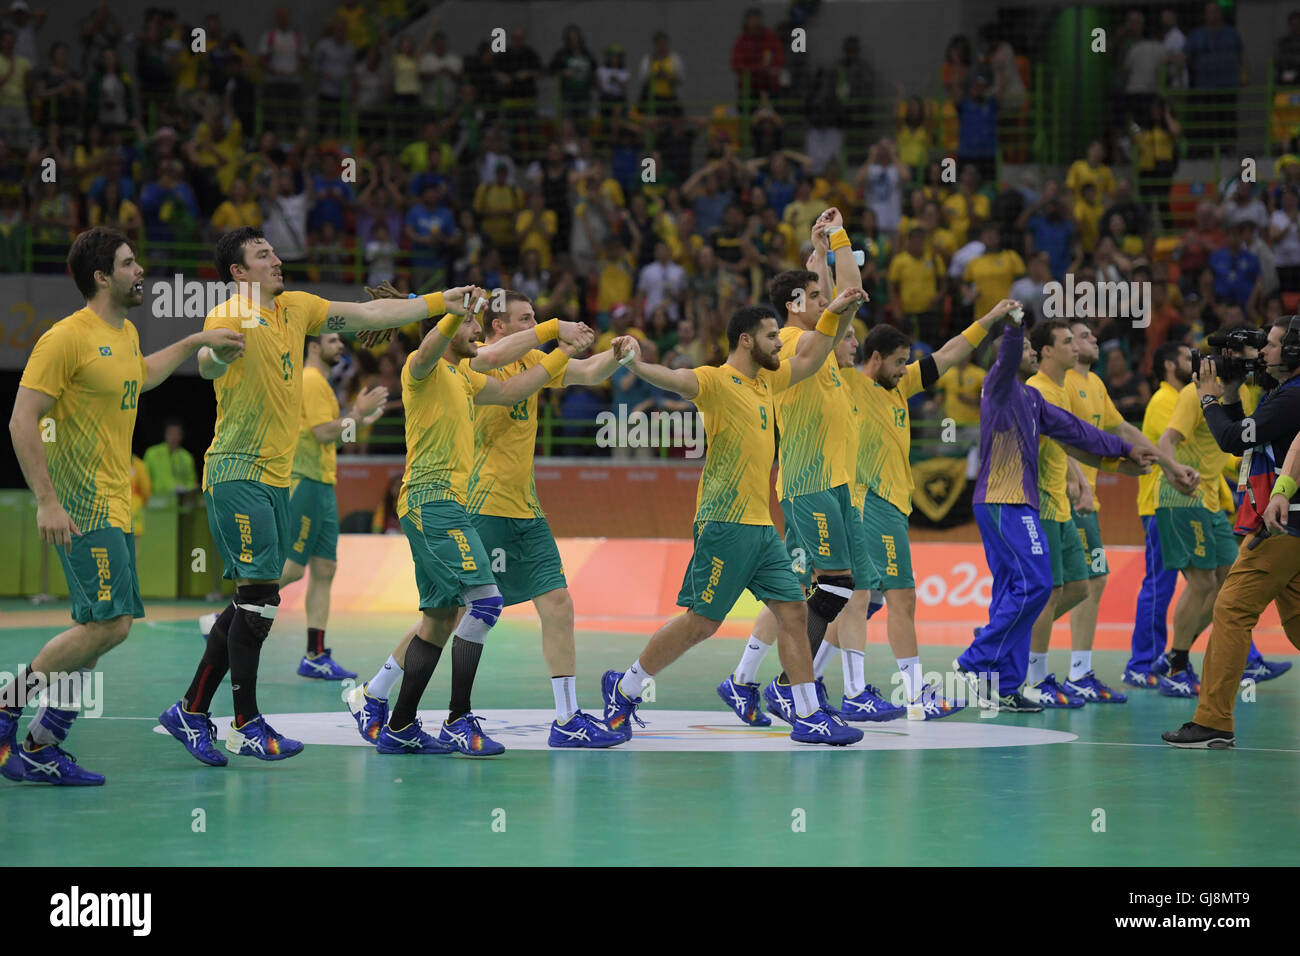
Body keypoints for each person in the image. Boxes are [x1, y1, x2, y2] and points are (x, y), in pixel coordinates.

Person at [158, 227, 474, 768]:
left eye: (274, 251)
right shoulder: (228, 314)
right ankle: (244, 722)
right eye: (263, 255)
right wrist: (213, 356)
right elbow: (207, 365)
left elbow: (368, 316)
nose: (277, 259)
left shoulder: (297, 308)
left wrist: (442, 301)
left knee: (253, 599)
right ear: (238, 272)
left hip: (277, 479)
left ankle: (191, 710)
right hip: (238, 470)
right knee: (260, 600)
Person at [2, 227, 243, 785]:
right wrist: (46, 502)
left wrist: (192, 342)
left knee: (94, 626)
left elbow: (142, 376)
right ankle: (8, 706)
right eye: (130, 264)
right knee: (111, 625)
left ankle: (42, 743)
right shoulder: (65, 338)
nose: (141, 272)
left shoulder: (127, 333)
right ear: (102, 277)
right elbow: (21, 420)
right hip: (81, 505)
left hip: (114, 503)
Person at [603, 288, 868, 747]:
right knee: (701, 624)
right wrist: (635, 363)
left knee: (792, 612)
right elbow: (673, 378)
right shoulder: (716, 381)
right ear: (746, 341)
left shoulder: (769, 382)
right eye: (771, 336)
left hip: (762, 526)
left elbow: (817, 352)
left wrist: (838, 311)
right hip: (724, 524)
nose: (779, 344)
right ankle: (624, 690)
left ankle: (808, 714)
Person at [344, 293, 596, 756]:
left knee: (440, 619)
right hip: (431, 502)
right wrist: (449, 308)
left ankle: (396, 723)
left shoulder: (464, 379)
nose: (476, 332)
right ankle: (458, 719)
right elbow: (429, 346)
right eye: (468, 326)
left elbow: (517, 390)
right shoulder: (421, 370)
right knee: (484, 604)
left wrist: (564, 351)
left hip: (450, 506)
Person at [825, 299, 1023, 720]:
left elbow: (951, 352)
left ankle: (804, 675)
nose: (903, 369)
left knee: (865, 601)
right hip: (871, 502)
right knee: (900, 598)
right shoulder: (850, 384)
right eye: (897, 362)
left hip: (895, 505)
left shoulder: (901, 385)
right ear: (873, 358)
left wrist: (989, 318)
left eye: (906, 363)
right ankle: (916, 693)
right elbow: (828, 333)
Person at [954, 310, 1153, 712]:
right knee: (1037, 585)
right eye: (1025, 347)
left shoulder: (1034, 400)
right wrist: (1013, 325)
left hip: (1017, 503)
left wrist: (1126, 448)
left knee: (1017, 589)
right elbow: (1010, 352)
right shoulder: (999, 386)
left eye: (1030, 345)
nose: (1027, 351)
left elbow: (1080, 433)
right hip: (1001, 499)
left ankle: (1006, 685)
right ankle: (973, 662)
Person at [715, 210, 870, 726]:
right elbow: (843, 298)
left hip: (835, 484)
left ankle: (745, 683)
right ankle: (788, 689)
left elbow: (842, 292)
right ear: (793, 305)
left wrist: (826, 246)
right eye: (815, 297)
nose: (826, 303)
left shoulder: (817, 338)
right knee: (834, 588)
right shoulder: (792, 340)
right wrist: (832, 252)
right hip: (810, 485)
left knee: (808, 592)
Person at [1164, 318, 1300, 748]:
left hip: (1283, 529)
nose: (1264, 353)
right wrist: (1227, 393)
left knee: (1230, 611)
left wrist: (1207, 399)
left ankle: (1213, 722)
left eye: (1273, 346)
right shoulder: (1285, 395)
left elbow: (1229, 437)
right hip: (1285, 527)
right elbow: (1246, 437)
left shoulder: (1293, 397)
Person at [276, 332, 387, 680]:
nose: (341, 346)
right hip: (305, 480)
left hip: (323, 482)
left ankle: (315, 655)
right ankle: (228, 617)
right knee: (292, 568)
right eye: (334, 340)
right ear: (312, 346)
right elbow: (324, 433)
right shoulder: (310, 380)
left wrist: (360, 420)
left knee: (324, 569)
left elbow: (337, 433)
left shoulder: (321, 383)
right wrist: (356, 412)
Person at [1125, 342, 1191, 686]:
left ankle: (1249, 657)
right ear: (1168, 365)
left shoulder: (1182, 398)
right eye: (1184, 356)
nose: (1192, 359)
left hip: (1182, 504)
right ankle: (1142, 663)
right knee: (1159, 586)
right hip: (1160, 506)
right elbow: (1181, 451)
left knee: (1208, 584)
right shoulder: (1165, 401)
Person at [143, 418, 198, 497]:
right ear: (165, 434)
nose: (174, 437)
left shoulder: (187, 457)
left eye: (176, 433)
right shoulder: (151, 453)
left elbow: (191, 481)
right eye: (171, 433)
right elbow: (144, 480)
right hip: (157, 502)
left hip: (180, 504)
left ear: (181, 436)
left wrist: (186, 489)